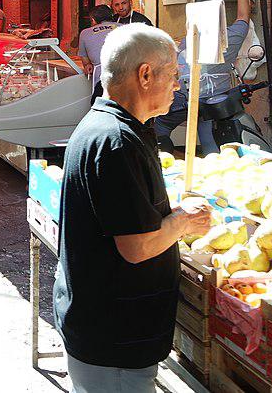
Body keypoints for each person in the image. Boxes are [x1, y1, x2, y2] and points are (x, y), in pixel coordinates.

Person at [54, 24, 212, 392]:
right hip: (114, 341)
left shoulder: (114, 126)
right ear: (145, 75)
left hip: (108, 331)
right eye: (173, 73)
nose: (177, 85)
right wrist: (183, 222)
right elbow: (136, 247)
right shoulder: (115, 141)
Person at [155, 0, 253, 155]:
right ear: (221, 18)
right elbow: (243, 17)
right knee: (207, 133)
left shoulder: (188, 40)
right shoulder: (230, 37)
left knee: (161, 125)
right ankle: (212, 160)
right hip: (215, 101)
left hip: (186, 101)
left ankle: (162, 155)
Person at [78, 5, 120, 100]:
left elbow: (85, 61)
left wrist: (88, 65)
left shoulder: (85, 33)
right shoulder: (125, 27)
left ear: (93, 20)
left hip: (102, 79)